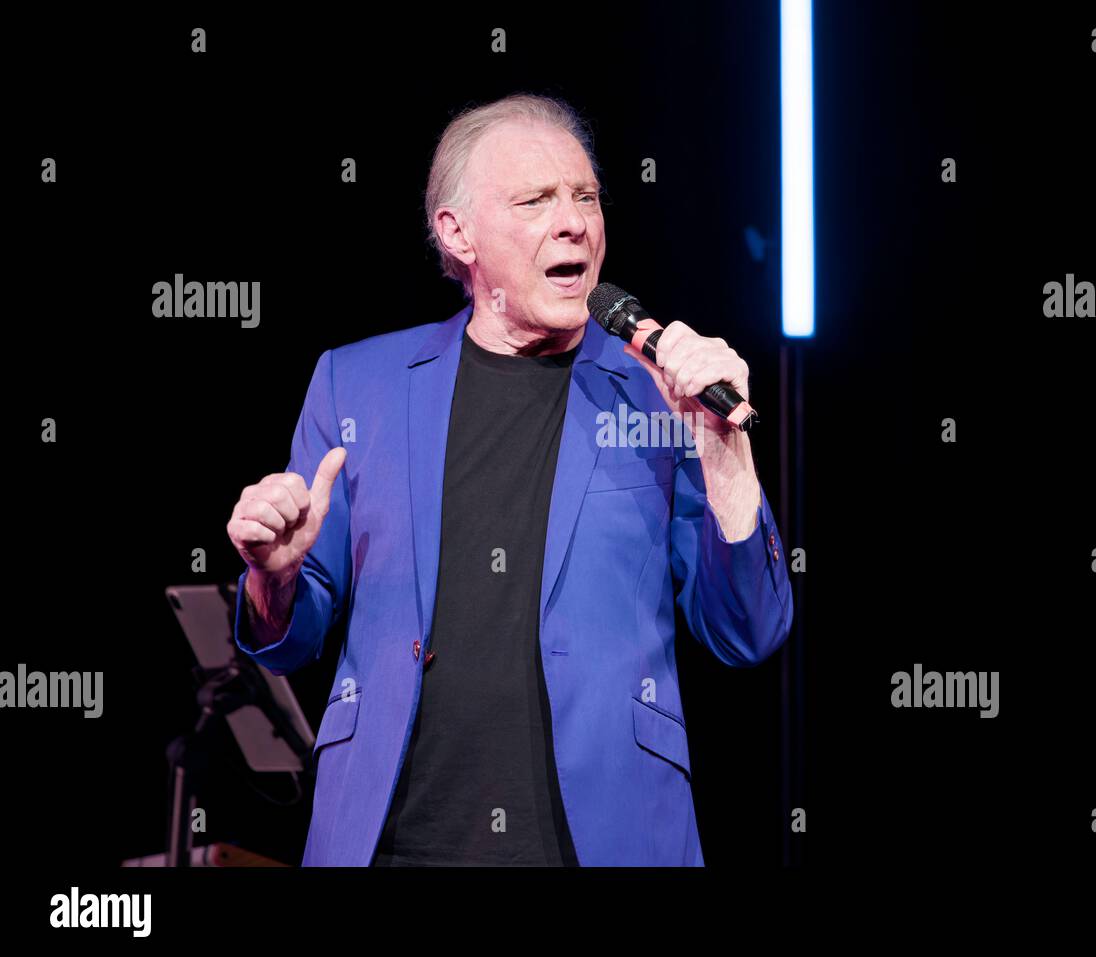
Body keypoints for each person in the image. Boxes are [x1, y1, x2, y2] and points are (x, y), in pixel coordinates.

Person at [225, 93, 793, 866]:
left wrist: (724, 450)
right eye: (536, 200)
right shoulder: (355, 384)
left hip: (601, 839)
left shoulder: (656, 392)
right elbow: (285, 641)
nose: (574, 222)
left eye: (586, 197)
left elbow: (747, 632)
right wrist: (273, 580)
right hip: (395, 841)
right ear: (456, 233)